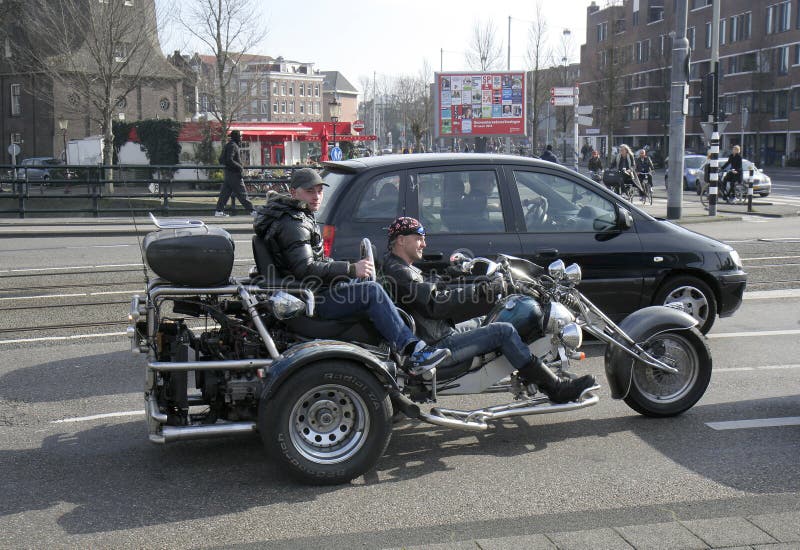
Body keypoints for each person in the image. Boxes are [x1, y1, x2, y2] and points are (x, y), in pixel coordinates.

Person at [253, 168, 450, 376]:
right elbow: (306, 269)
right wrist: (350, 269)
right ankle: (412, 351)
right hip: (313, 299)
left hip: (312, 292)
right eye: (310, 191)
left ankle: (401, 344)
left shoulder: (295, 216)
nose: (317, 196)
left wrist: (348, 270)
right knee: (372, 291)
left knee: (372, 287)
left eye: (320, 191)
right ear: (294, 193)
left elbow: (312, 262)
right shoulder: (294, 223)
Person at [381, 217, 597, 404]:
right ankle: (555, 388)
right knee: (503, 330)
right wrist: (480, 289)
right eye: (419, 237)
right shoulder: (400, 272)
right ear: (401, 240)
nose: (424, 243)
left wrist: (452, 275)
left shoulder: (397, 266)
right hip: (436, 346)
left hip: (434, 334)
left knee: (487, 318)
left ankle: (529, 370)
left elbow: (426, 290)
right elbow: (435, 304)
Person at [215, 130, 255, 217]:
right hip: (234, 173)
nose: (241, 138)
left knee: (224, 194)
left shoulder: (228, 145)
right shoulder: (233, 146)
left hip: (228, 173)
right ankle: (252, 211)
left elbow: (221, 159)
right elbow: (230, 159)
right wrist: (239, 166)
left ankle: (219, 211)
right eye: (240, 136)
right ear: (236, 137)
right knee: (242, 193)